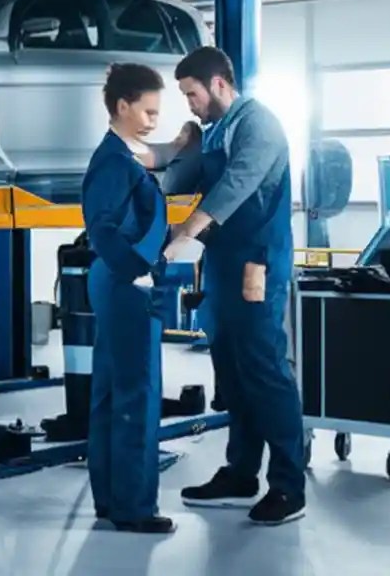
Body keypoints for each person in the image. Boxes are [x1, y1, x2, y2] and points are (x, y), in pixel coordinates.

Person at [165, 46, 306, 526]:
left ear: (219, 85)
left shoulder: (258, 124)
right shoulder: (214, 129)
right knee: (231, 371)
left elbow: (238, 183)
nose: (189, 104)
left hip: (256, 265)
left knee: (264, 368)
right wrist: (181, 143)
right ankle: (240, 473)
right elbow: (184, 175)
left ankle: (289, 486)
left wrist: (185, 232)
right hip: (223, 264)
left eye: (192, 95)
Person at [79, 63, 176, 535]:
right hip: (126, 283)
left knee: (111, 391)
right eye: (148, 111)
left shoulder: (123, 154)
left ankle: (111, 498)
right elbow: (102, 229)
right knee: (138, 392)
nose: (154, 120)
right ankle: (134, 507)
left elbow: (158, 156)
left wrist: (180, 145)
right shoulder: (115, 162)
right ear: (122, 106)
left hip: (118, 281)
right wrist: (140, 271)